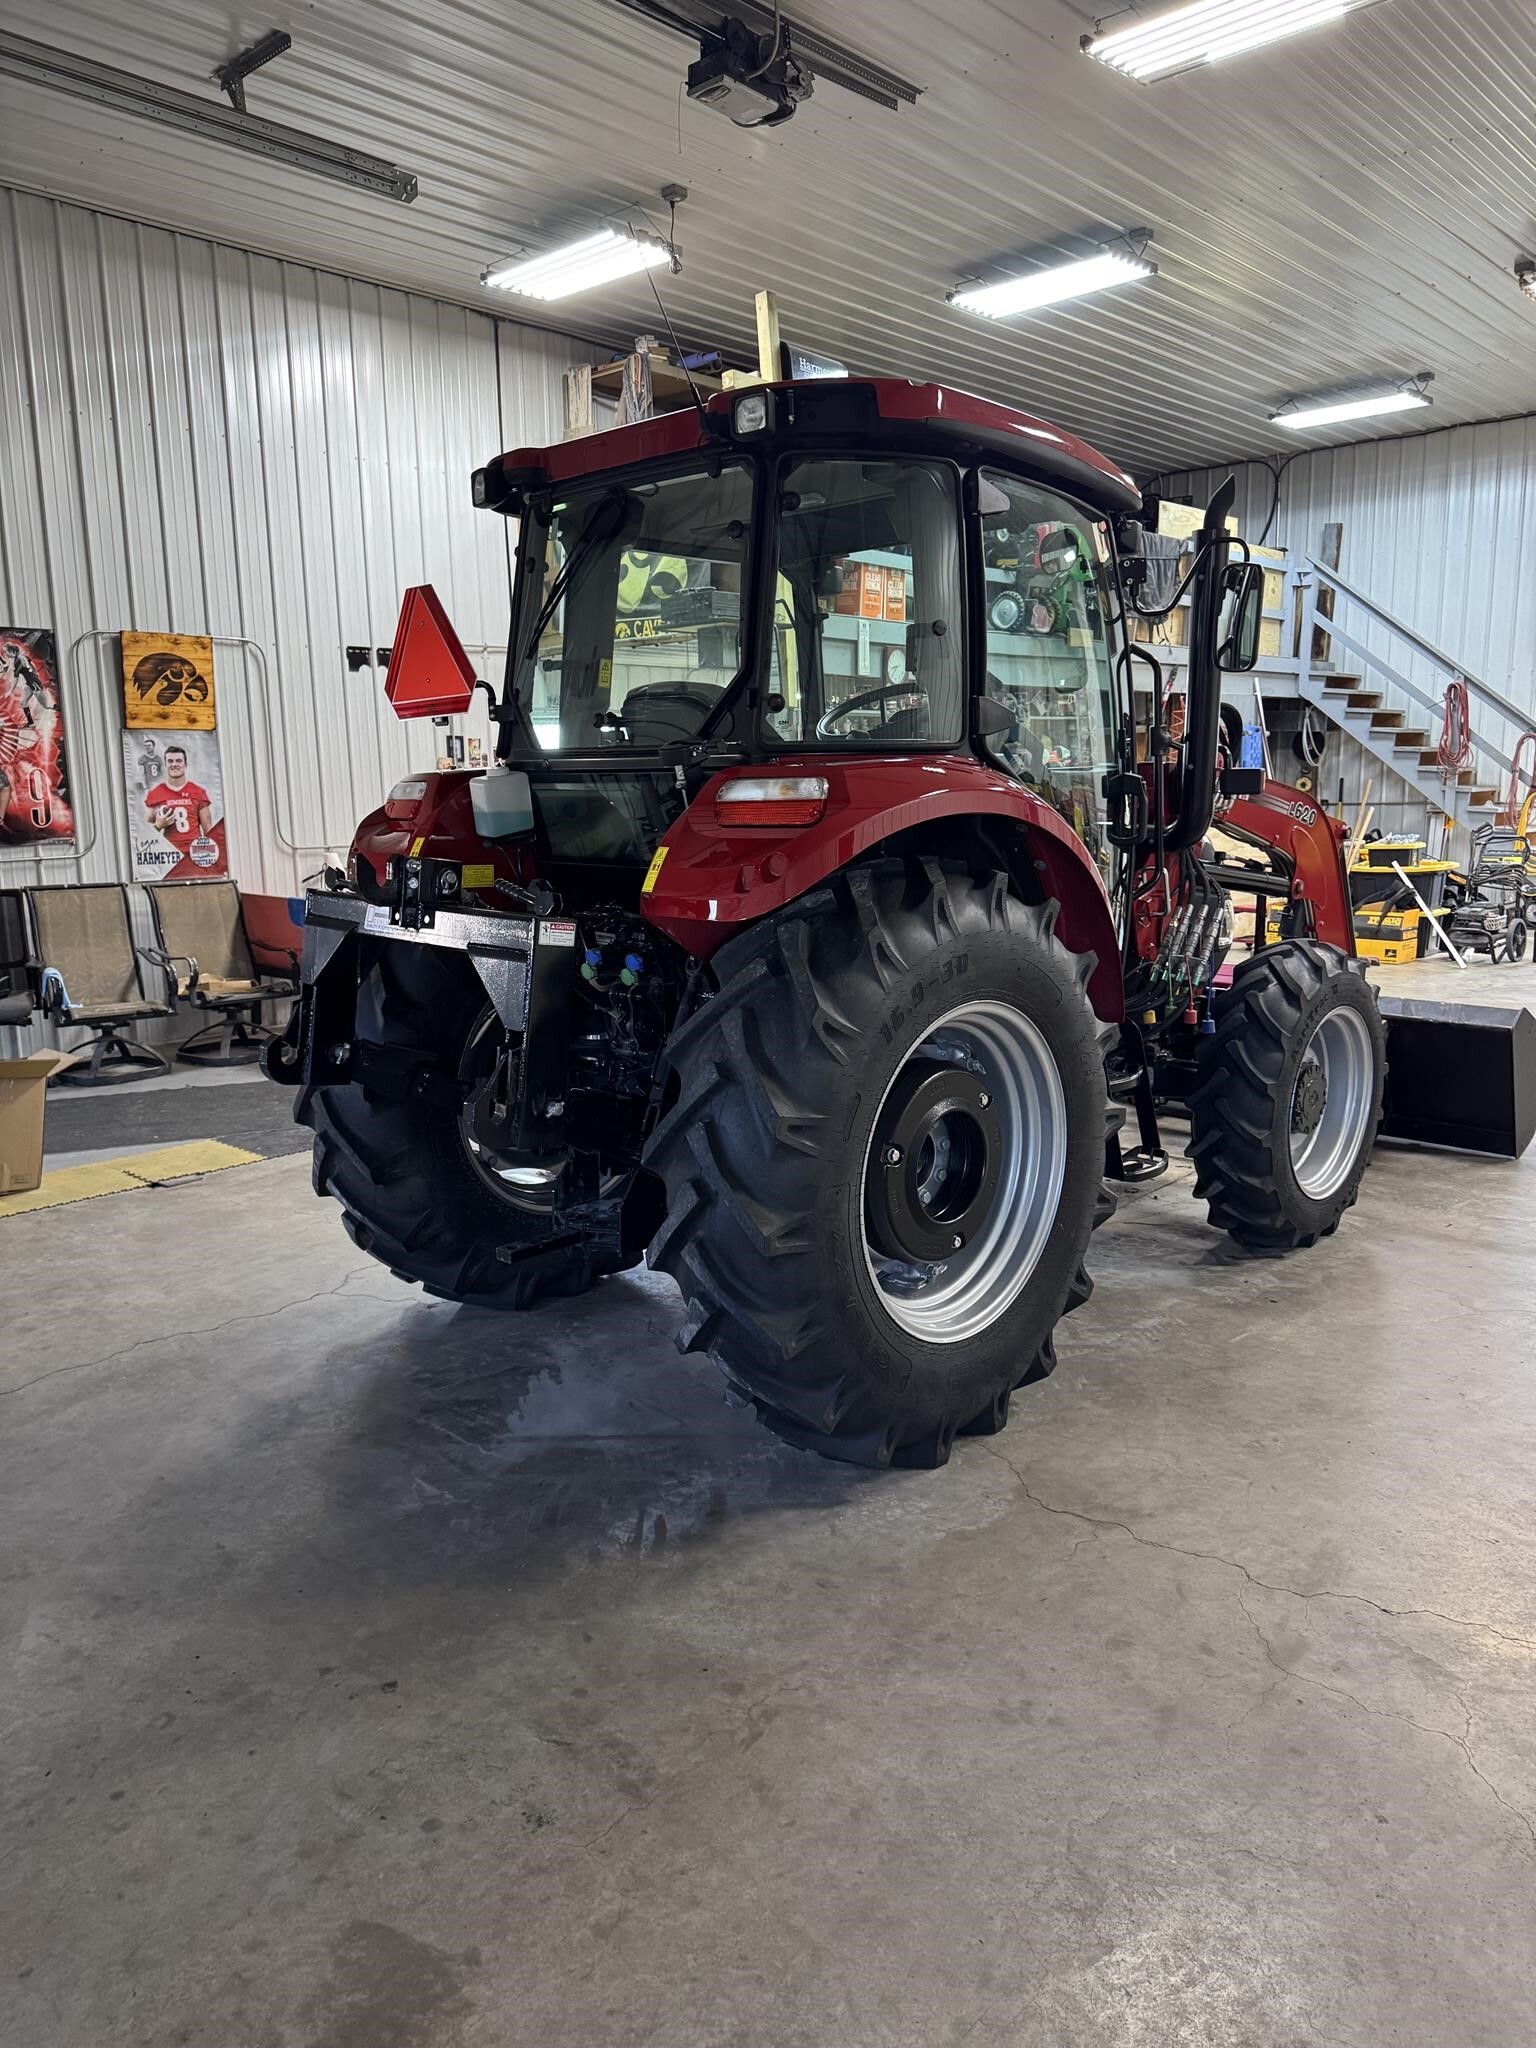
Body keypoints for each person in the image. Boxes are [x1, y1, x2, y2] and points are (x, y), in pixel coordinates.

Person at [143, 744, 213, 854]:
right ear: (165, 765)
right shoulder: (155, 793)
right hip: (169, 854)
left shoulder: (198, 792)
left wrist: (210, 856)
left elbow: (208, 828)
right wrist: (158, 825)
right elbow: (145, 832)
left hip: (195, 853)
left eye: (178, 761)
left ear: (185, 765)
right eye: (170, 761)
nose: (174, 764)